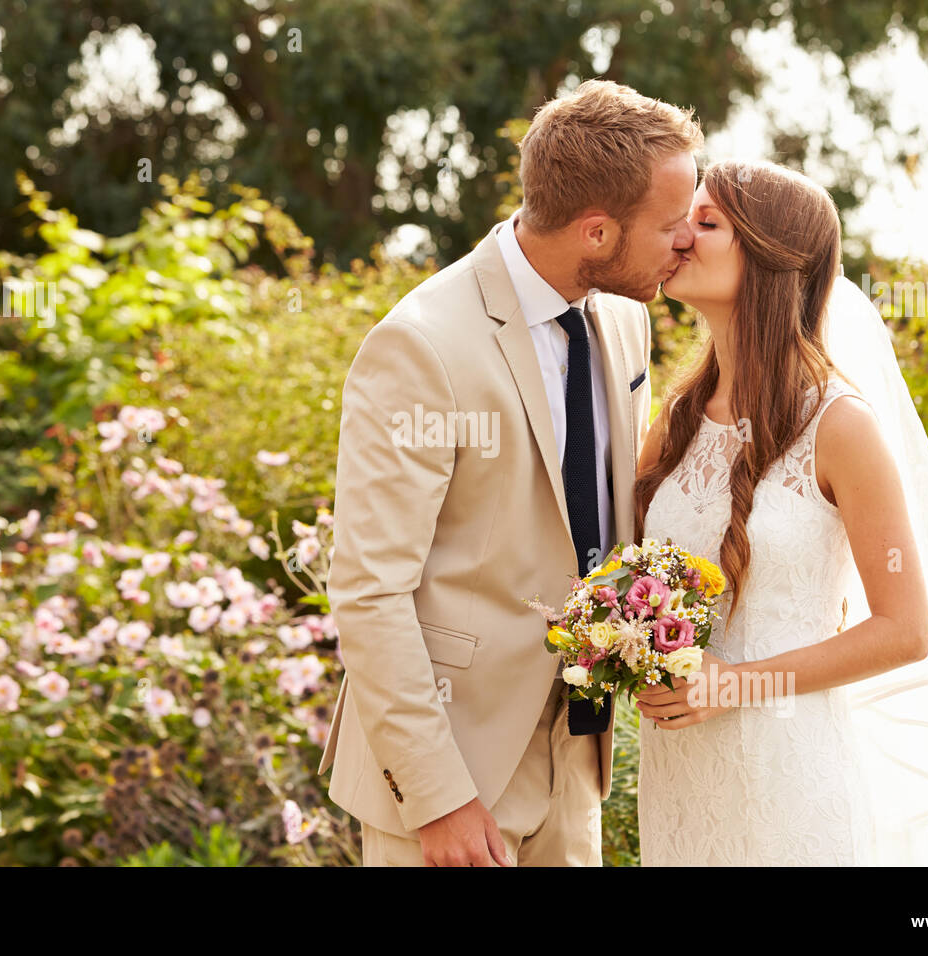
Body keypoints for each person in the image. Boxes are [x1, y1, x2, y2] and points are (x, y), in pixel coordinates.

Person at [317, 79, 702, 866]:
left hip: (576, 758)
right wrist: (439, 799)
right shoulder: (422, 346)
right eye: (668, 226)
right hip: (451, 776)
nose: (684, 243)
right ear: (596, 231)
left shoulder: (625, 319)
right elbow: (368, 589)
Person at [633, 159, 928, 865]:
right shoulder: (679, 417)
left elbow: (904, 631)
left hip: (790, 770)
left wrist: (735, 684)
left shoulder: (840, 425)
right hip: (681, 774)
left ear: (773, 259)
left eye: (707, 222)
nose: (680, 236)